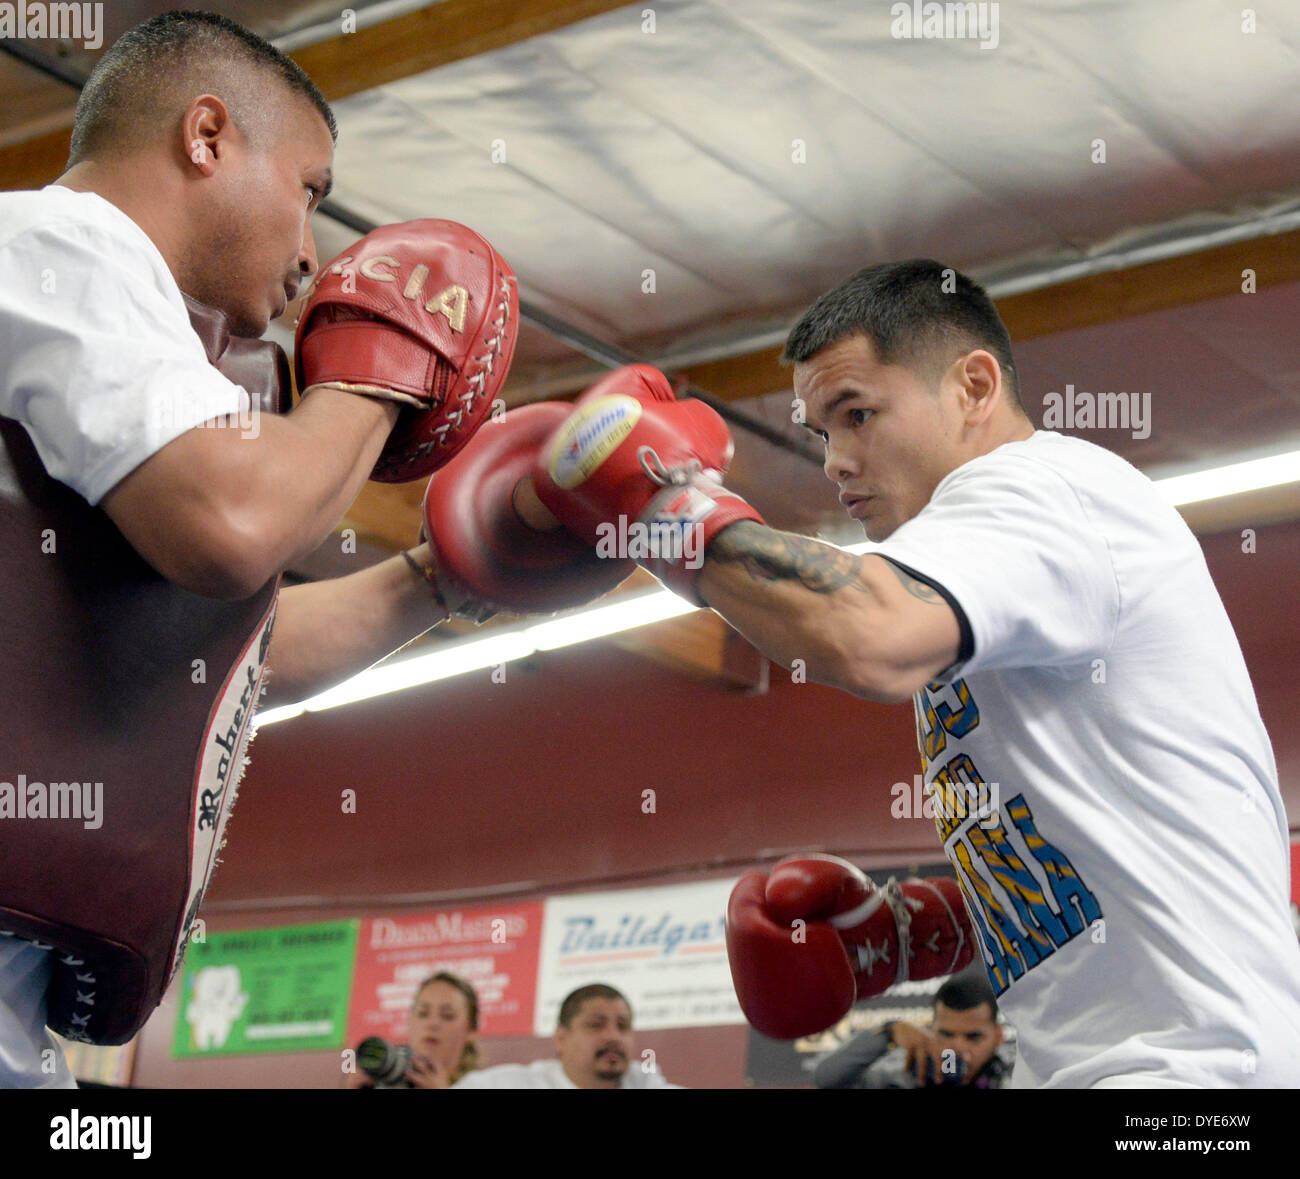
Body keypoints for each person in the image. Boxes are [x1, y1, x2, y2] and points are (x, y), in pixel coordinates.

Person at [0, 11, 604, 1089]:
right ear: (206, 135)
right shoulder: (57, 246)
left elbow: (232, 653)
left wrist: (450, 574)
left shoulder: (117, 372)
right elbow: (231, 528)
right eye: (310, 190)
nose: (312, 253)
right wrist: (380, 371)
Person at [529, 260, 1300, 1088]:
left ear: (973, 386)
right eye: (824, 431)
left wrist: (656, 508)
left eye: (857, 414)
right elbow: (1120, 850)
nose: (835, 460)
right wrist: (928, 929)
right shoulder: (1001, 570)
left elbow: (862, 634)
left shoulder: (1041, 488)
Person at [451, 984, 679, 1088]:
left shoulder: (645, 1083)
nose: (613, 1036)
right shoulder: (508, 1084)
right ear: (561, 1038)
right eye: (595, 1025)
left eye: (623, 1026)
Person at [813, 972, 1014, 1089]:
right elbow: (827, 1079)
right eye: (946, 1034)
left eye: (974, 1037)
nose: (957, 1048)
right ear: (930, 1029)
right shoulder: (909, 1077)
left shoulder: (1021, 1077)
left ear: (999, 1036)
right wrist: (888, 1032)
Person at [346, 972, 483, 1090]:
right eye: (423, 1013)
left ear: (471, 1029)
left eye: (447, 1016)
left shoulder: (486, 1083)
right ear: (410, 1020)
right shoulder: (382, 1079)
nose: (432, 1023)